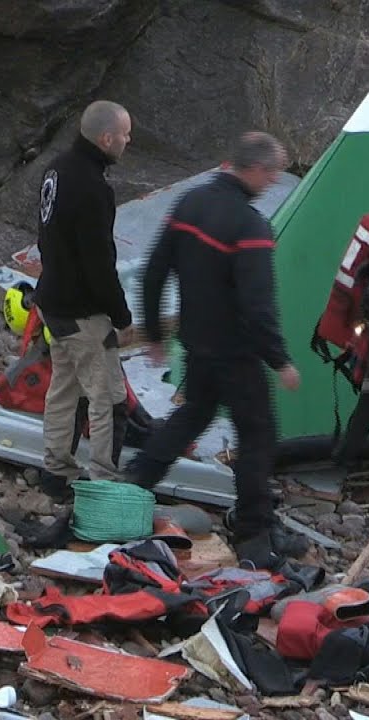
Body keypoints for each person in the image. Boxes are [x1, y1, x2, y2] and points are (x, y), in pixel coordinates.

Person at [125, 131, 306, 568]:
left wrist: (154, 333)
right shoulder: (250, 227)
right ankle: (254, 529)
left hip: (197, 342)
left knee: (192, 415)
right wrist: (279, 359)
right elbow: (257, 303)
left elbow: (153, 271)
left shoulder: (192, 203)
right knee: (258, 436)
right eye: (275, 172)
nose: (275, 180)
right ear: (258, 171)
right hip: (237, 351)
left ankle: (131, 488)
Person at [33, 100, 136, 500]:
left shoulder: (55, 170)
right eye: (125, 134)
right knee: (108, 398)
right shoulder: (94, 188)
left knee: (64, 388)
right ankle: (104, 483)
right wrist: (122, 317)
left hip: (53, 302)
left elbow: (46, 235)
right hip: (82, 312)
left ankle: (56, 472)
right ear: (106, 138)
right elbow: (99, 264)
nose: (128, 141)